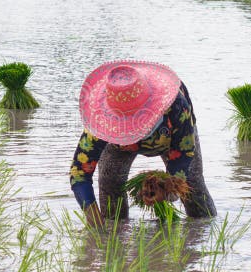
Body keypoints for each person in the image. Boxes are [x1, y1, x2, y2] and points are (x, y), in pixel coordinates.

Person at [69, 60, 216, 225]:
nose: (131, 133)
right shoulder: (100, 123)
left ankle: (201, 234)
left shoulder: (176, 105)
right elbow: (79, 174)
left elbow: (184, 152)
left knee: (193, 185)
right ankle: (116, 238)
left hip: (172, 142)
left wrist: (167, 189)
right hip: (118, 148)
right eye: (123, 127)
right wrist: (94, 219)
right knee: (110, 186)